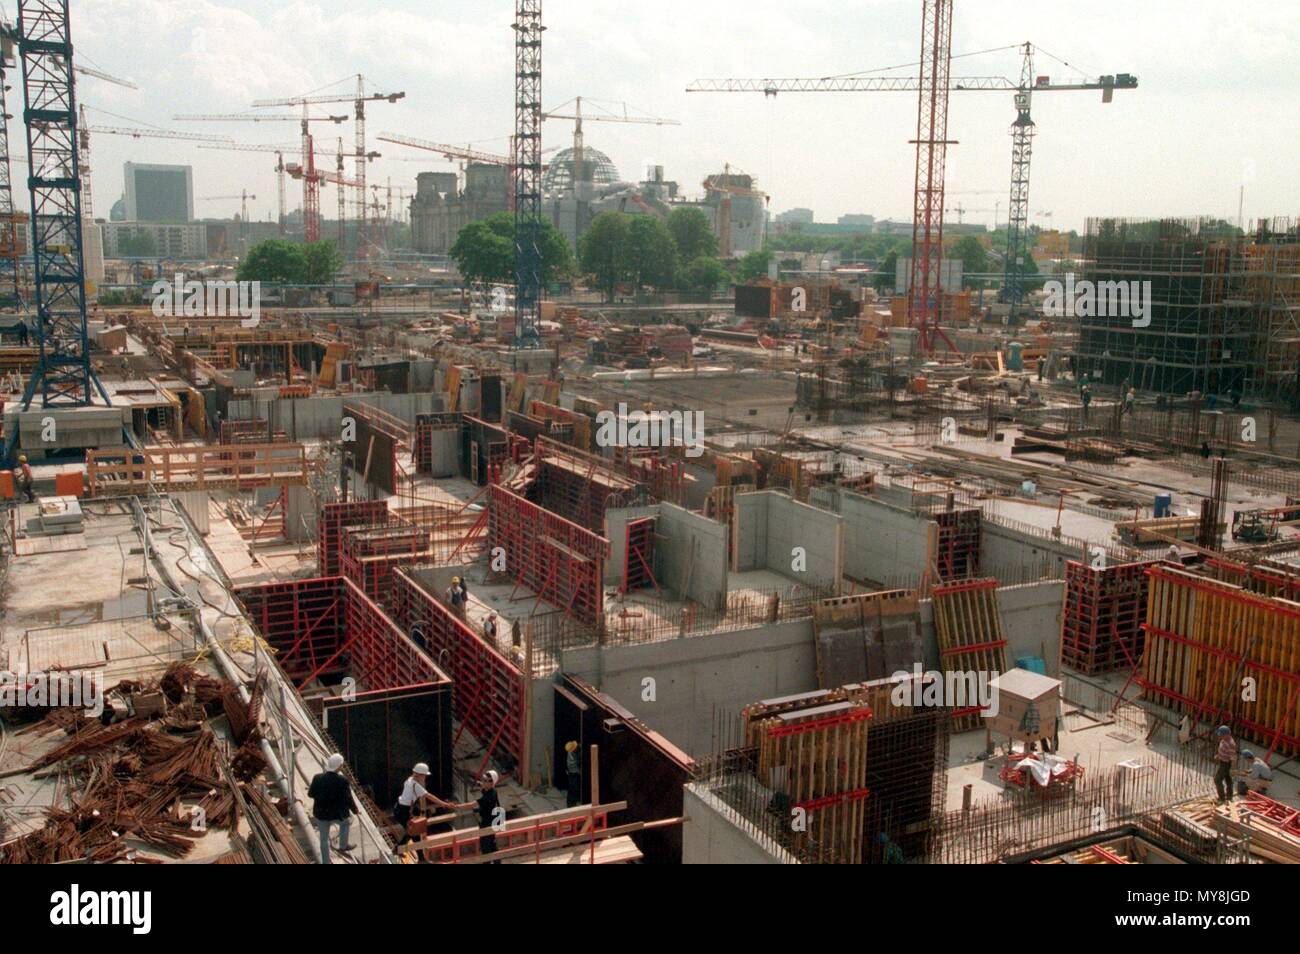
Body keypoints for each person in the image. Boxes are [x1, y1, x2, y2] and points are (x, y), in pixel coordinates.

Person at [307, 753, 355, 864]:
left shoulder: (317, 778)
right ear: (338, 766)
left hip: (321, 814)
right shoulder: (342, 781)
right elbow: (348, 798)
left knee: (324, 839)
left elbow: (310, 794)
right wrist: (356, 810)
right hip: (335, 815)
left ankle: (326, 862)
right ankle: (343, 846)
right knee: (347, 822)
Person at [1214, 725, 1238, 803]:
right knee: (1228, 780)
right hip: (1222, 761)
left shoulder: (1231, 744)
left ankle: (1222, 798)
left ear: (1227, 734)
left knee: (1217, 780)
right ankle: (1229, 797)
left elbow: (1233, 758)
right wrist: (1219, 755)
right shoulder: (1224, 740)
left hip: (1226, 764)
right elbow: (1223, 750)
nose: (1220, 736)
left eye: (1222, 735)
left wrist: (1232, 769)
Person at [564, 740, 581, 808]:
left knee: (573, 789)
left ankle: (572, 803)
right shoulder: (572, 759)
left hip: (573, 774)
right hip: (573, 774)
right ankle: (571, 805)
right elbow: (576, 767)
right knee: (573, 789)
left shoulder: (572, 751)